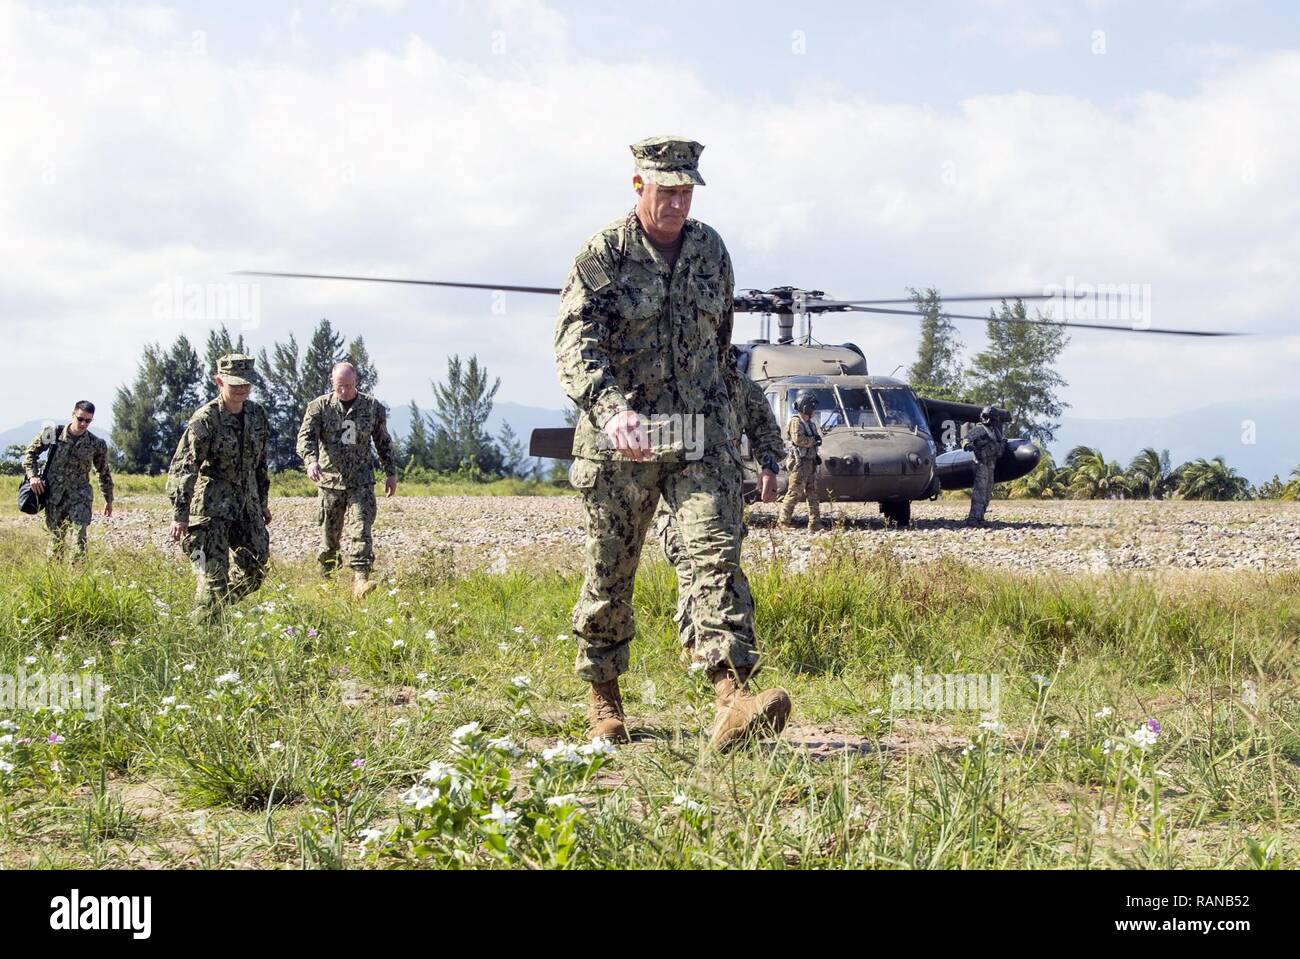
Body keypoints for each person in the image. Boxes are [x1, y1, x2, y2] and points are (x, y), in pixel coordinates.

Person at [555, 135, 792, 750]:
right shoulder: (603, 254)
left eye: (686, 192)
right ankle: (603, 698)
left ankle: (732, 696)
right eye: (667, 191)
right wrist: (610, 411)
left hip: (696, 439)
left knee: (716, 552)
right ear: (639, 186)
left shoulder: (712, 252)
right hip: (622, 443)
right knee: (612, 569)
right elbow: (575, 344)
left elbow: (722, 359)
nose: (678, 204)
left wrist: (762, 441)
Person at [654, 353, 782, 658]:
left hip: (724, 498)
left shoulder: (740, 387)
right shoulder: (671, 380)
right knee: (688, 566)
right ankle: (696, 648)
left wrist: (768, 467)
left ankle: (726, 649)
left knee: (721, 569)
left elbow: (766, 429)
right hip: (676, 495)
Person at [165, 354, 272, 621]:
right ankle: (205, 633)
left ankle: (215, 611)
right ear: (219, 381)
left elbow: (260, 464)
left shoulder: (257, 415)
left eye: (246, 383)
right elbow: (184, 467)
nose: (241, 388)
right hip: (210, 509)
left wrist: (263, 502)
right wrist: (180, 514)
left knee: (256, 568)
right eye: (235, 383)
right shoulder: (205, 419)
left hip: (246, 506)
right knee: (213, 577)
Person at [296, 362, 398, 598]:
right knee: (329, 537)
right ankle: (328, 582)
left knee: (361, 529)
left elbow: (383, 441)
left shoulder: (372, 407)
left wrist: (390, 473)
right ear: (332, 383)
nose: (344, 391)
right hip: (330, 482)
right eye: (340, 386)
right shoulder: (318, 407)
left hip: (361, 481)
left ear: (357, 382)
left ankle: (361, 581)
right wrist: (311, 461)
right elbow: (305, 439)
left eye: (349, 386)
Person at [21, 401, 113, 561]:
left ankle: (77, 577)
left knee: (79, 537)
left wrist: (108, 499)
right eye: (81, 419)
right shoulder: (53, 434)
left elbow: (103, 472)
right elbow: (30, 454)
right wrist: (33, 476)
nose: (84, 424)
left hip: (80, 497)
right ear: (73, 415)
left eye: (88, 421)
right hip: (54, 497)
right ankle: (55, 581)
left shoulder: (96, 444)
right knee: (56, 540)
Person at [779, 390, 822, 529]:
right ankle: (783, 522)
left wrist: (816, 450)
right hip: (800, 463)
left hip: (810, 462)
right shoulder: (796, 422)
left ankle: (815, 523)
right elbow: (799, 440)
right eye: (812, 406)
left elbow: (812, 440)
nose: (814, 410)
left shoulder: (810, 423)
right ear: (806, 407)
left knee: (813, 494)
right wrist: (813, 441)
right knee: (794, 493)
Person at [964, 406, 1007, 526]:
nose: (989, 421)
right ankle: (973, 518)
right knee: (980, 491)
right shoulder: (979, 429)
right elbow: (966, 440)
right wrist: (968, 445)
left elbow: (1002, 443)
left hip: (991, 464)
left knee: (987, 491)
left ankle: (980, 516)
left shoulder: (996, 432)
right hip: (981, 463)